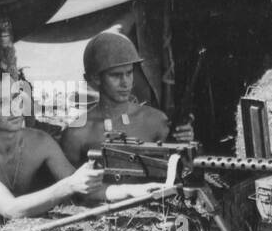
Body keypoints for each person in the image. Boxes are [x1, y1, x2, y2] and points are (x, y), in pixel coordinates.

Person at [0, 66, 163, 231]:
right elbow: (11, 209)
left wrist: (129, 192)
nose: (15, 108)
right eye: (0, 103)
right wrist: (69, 185)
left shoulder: (40, 141)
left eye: (17, 97)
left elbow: (84, 187)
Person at [60, 30, 193, 166]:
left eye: (129, 73)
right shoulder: (77, 134)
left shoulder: (156, 120)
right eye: (116, 75)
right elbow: (70, 184)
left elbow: (182, 171)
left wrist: (185, 143)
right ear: (95, 78)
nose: (125, 83)